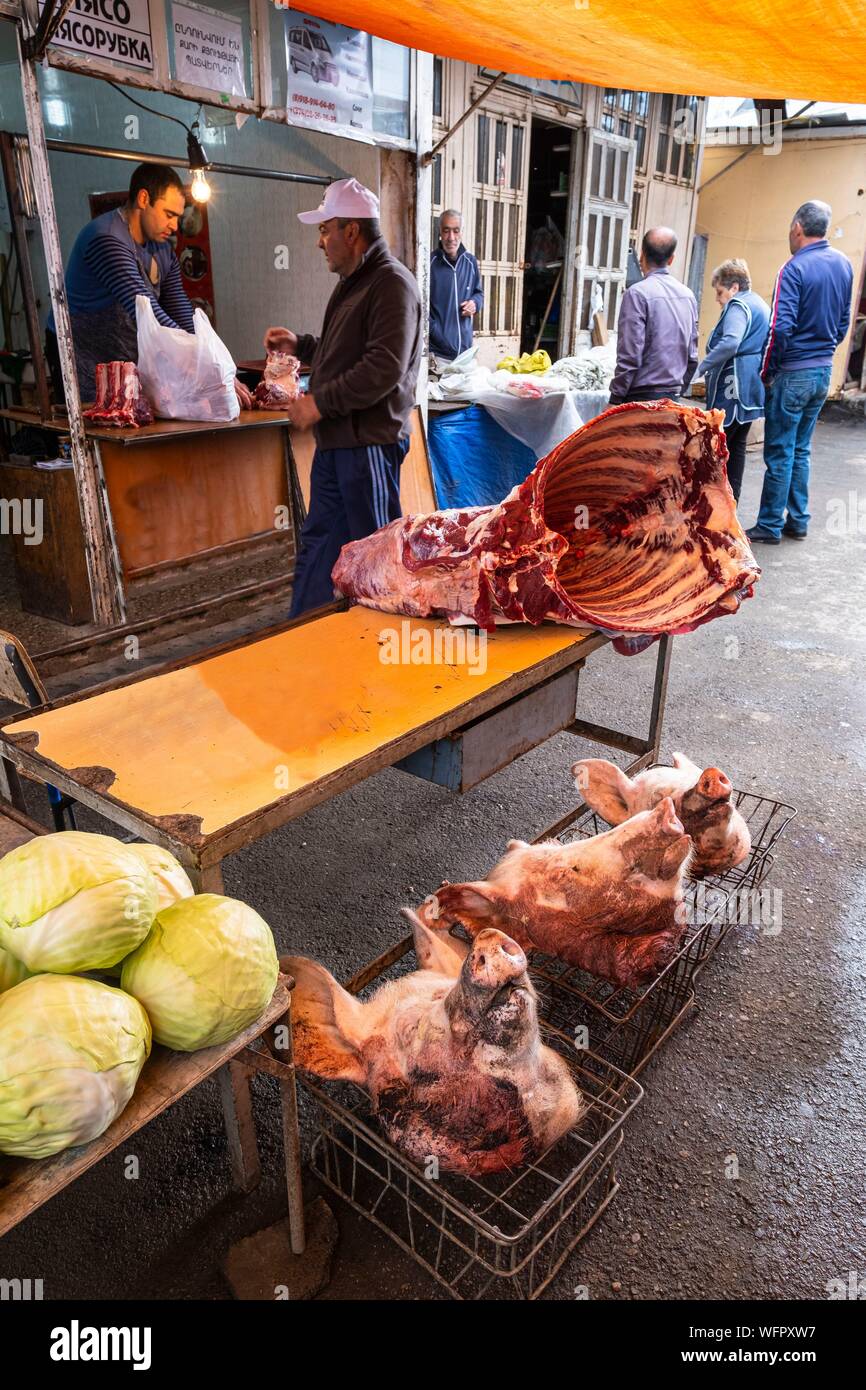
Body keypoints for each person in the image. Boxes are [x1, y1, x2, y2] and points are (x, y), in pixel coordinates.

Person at [265, 178, 423, 617]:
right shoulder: (352, 283)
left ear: (351, 232)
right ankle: (305, 630)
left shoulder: (393, 284)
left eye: (325, 230)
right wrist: (302, 345)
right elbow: (344, 352)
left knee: (373, 555)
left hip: (367, 445)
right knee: (320, 542)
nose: (320, 243)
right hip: (337, 444)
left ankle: (384, 647)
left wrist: (318, 403)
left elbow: (383, 369)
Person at [46, 163, 251, 410]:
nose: (175, 226)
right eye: (169, 214)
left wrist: (222, 368)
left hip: (122, 356)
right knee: (94, 429)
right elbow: (150, 314)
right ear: (144, 199)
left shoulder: (162, 249)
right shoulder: (106, 239)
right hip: (81, 356)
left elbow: (183, 313)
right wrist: (210, 369)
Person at [748, 200, 853, 544]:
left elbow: (779, 327)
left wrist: (769, 370)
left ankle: (769, 525)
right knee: (800, 449)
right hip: (822, 370)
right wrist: (823, 350)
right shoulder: (844, 264)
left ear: (797, 228)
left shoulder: (793, 269)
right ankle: (798, 520)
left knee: (779, 450)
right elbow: (842, 324)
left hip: (793, 372)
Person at [695, 258, 770, 502]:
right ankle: (731, 501)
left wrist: (702, 367)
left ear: (734, 287)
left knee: (715, 448)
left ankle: (711, 505)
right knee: (736, 447)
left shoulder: (738, 305)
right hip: (750, 387)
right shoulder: (759, 303)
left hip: (733, 388)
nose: (718, 299)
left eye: (719, 292)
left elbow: (730, 342)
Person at [609, 227, 698, 405]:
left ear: (641, 256)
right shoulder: (688, 295)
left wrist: (615, 398)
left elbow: (630, 355)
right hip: (672, 396)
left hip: (639, 398)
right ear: (671, 259)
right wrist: (676, 394)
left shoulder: (636, 294)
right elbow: (692, 357)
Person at [429, 209, 483, 362]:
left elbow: (478, 293)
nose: (451, 237)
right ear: (440, 231)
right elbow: (420, 309)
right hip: (438, 355)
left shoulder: (470, 262)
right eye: (446, 231)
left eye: (456, 231)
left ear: (461, 233)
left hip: (466, 353)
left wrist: (475, 303)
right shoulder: (429, 264)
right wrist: (438, 336)